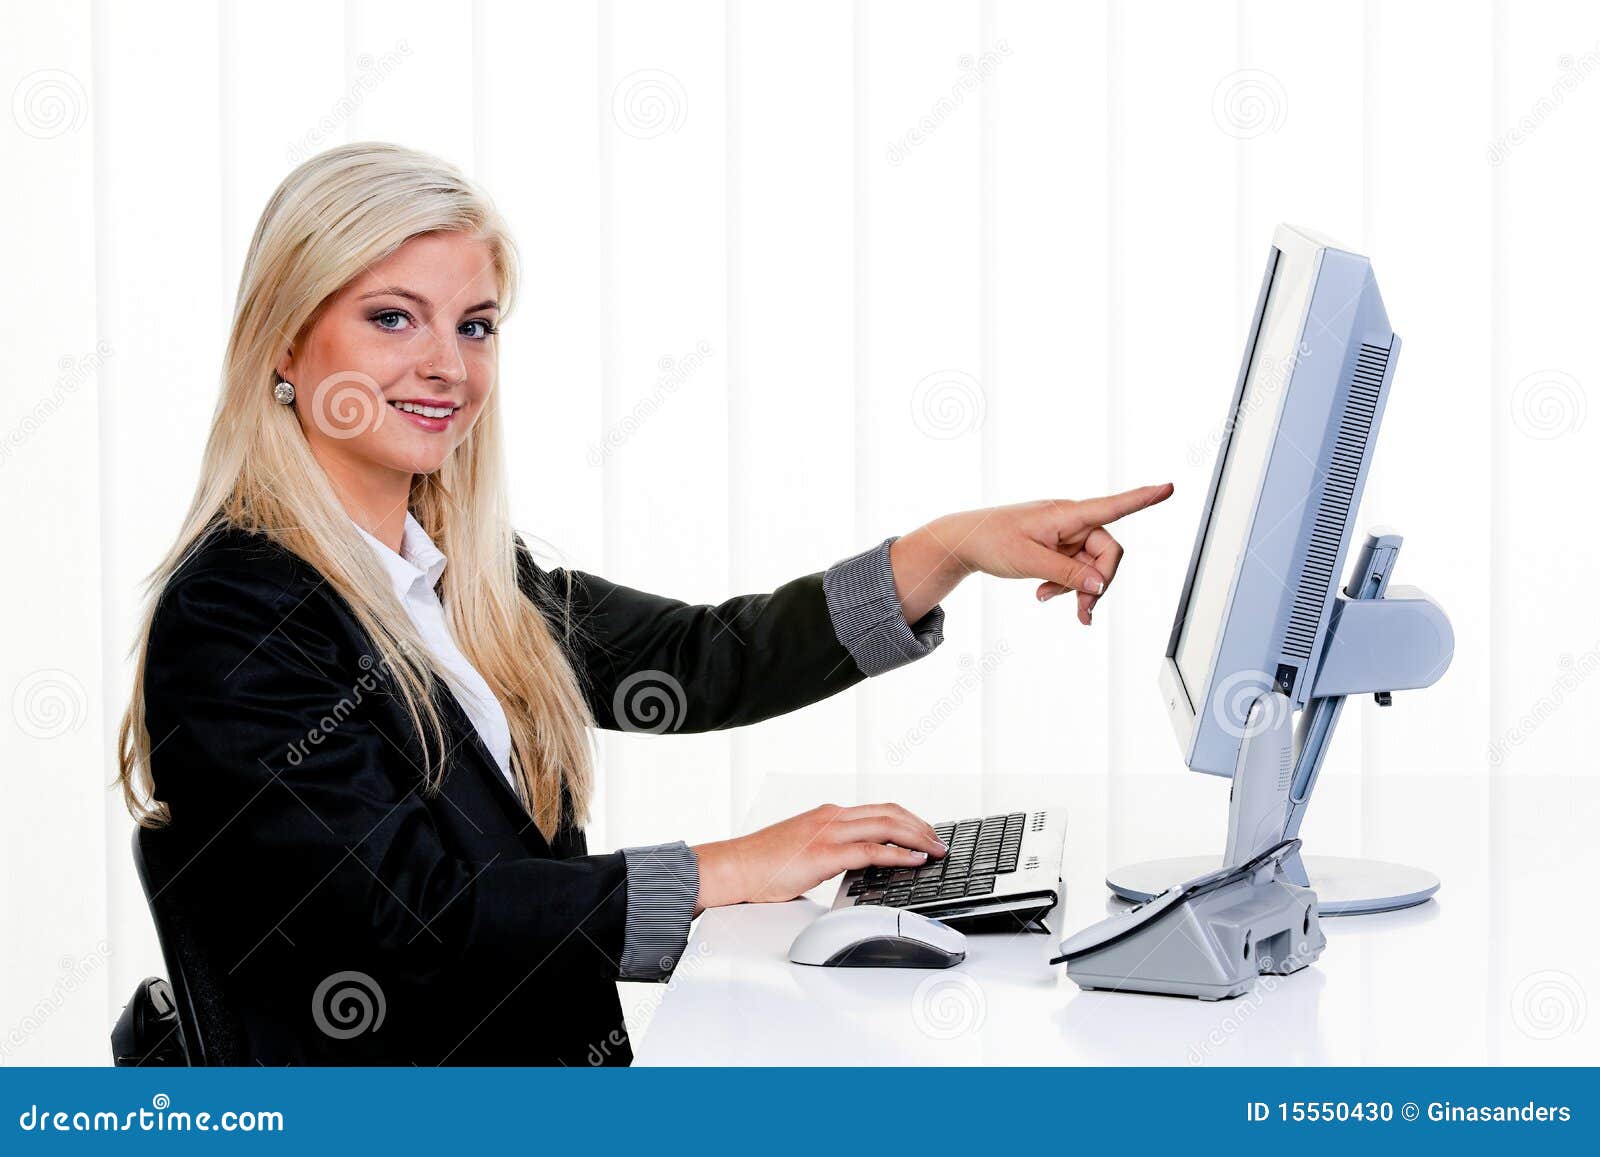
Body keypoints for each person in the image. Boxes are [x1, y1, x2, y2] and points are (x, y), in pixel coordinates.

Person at [116, 142, 1173, 1066]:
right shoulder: (237, 614)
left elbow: (701, 657)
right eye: (393, 317)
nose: (447, 367)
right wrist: (727, 868)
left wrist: (948, 549)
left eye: (475, 326)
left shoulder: (462, 576)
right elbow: (410, 917)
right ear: (286, 342)